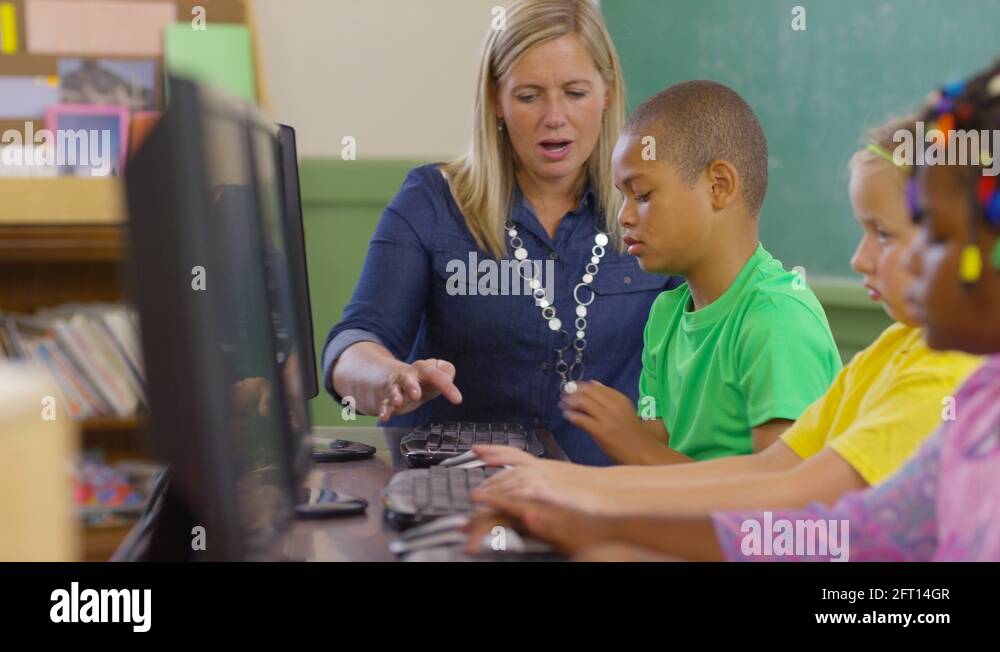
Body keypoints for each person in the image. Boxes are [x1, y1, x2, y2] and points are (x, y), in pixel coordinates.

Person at [323, 0, 679, 464]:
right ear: (496, 98)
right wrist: (390, 378)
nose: (554, 116)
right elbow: (353, 342)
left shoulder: (653, 208)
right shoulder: (432, 199)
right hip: (449, 492)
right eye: (529, 96)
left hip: (597, 502)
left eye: (574, 92)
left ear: (607, 91)